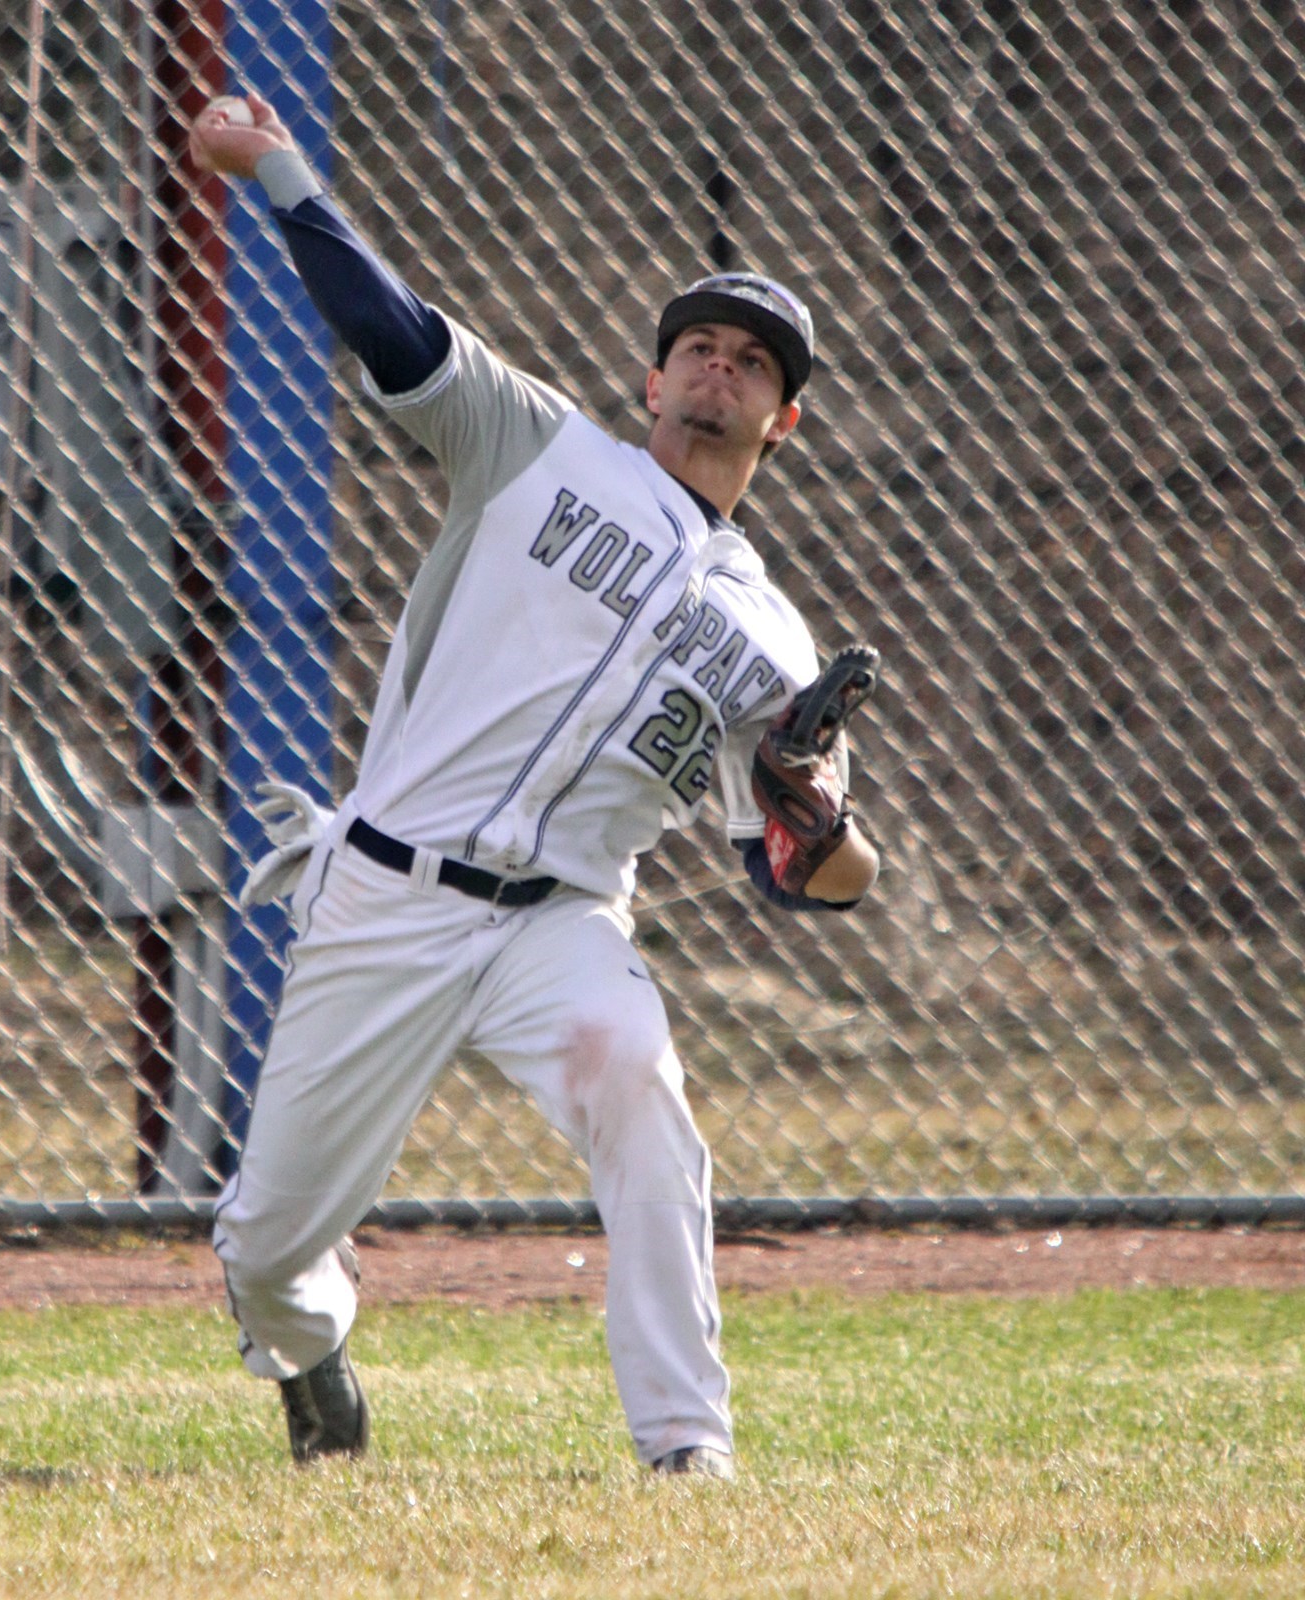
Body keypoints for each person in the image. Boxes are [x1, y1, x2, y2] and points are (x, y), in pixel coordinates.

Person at [191, 93, 878, 1479]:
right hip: (385, 889)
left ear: (784, 418)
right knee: (267, 1245)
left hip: (558, 924)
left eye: (752, 364)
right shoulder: (536, 448)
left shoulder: (774, 640)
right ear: (653, 381)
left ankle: (687, 1448)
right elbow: (393, 331)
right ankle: (315, 1348)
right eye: (696, 348)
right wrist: (275, 170)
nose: (717, 373)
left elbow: (806, 870)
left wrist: (818, 816)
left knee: (637, 1081)